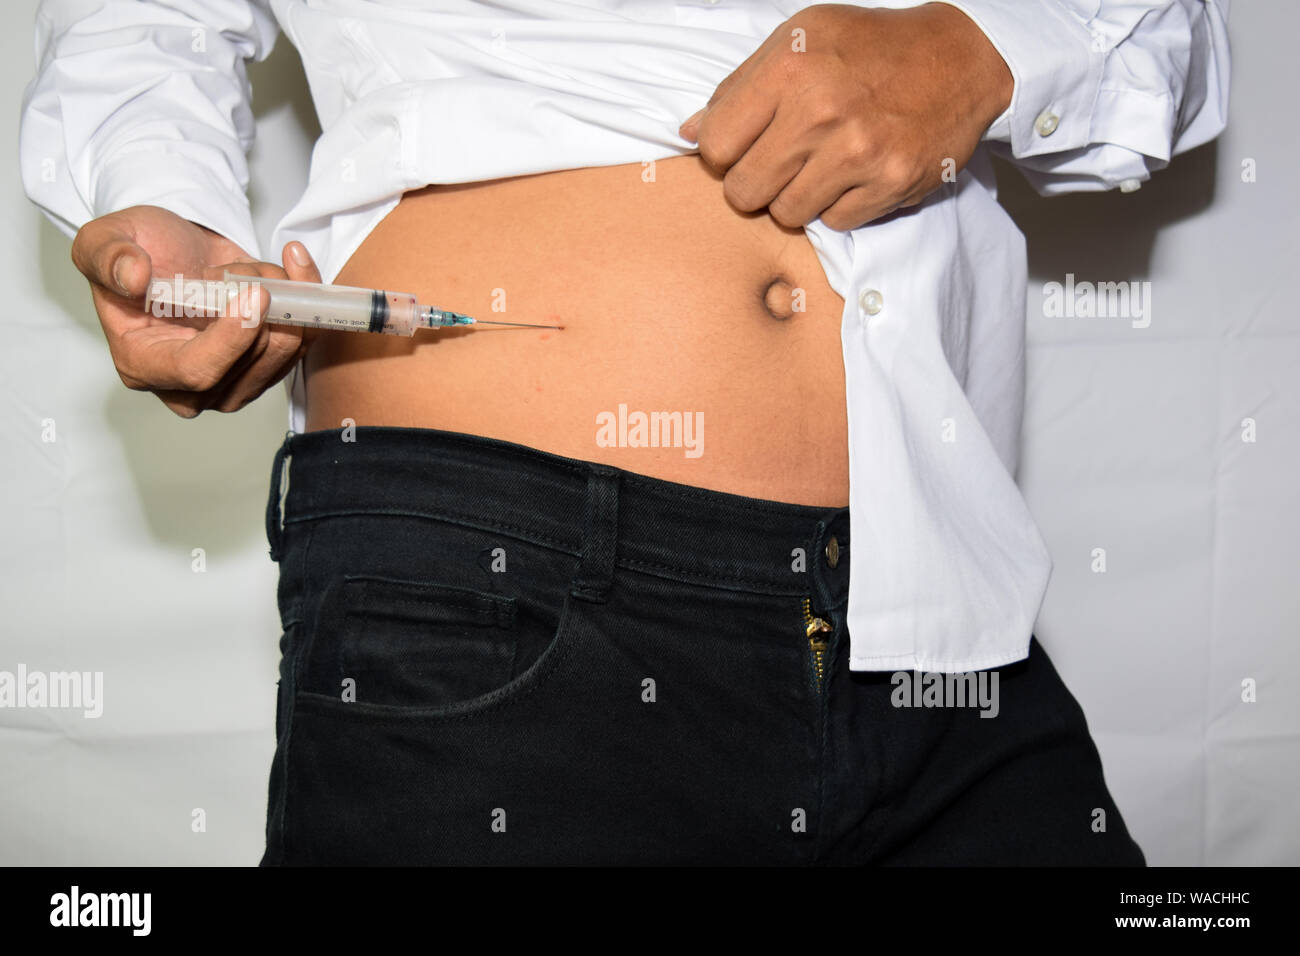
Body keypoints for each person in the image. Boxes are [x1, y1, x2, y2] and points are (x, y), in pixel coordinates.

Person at [21, 0, 1229, 864]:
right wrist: (157, 193)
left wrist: (988, 51)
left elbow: (1170, 33)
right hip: (498, 591)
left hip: (935, 610)